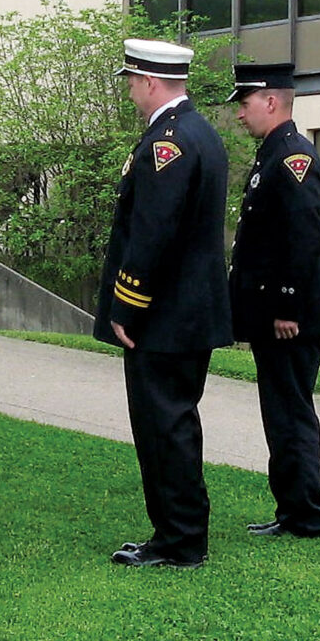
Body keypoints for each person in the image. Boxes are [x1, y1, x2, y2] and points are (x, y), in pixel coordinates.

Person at [94, 39, 232, 568]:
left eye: (132, 81)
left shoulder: (166, 143)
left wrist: (127, 306)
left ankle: (179, 541)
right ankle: (179, 532)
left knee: (163, 426)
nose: (130, 90)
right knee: (175, 423)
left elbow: (154, 232)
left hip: (163, 316)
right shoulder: (202, 132)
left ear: (151, 82)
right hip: (187, 312)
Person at [227, 62, 320, 538]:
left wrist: (287, 308)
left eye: (245, 103)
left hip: (291, 318)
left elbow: (303, 238)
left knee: (290, 412)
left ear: (270, 101)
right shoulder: (273, 154)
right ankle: (292, 508)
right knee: (281, 411)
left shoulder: (294, 158)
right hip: (277, 313)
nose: (240, 114)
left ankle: (305, 515)